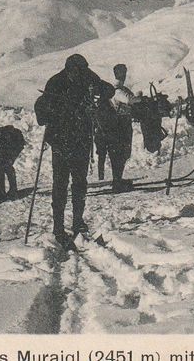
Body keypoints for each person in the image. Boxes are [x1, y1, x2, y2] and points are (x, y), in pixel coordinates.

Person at [34, 54, 113, 247]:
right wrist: (63, 110)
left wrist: (96, 91)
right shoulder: (55, 83)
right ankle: (58, 227)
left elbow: (108, 90)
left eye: (84, 71)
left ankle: (78, 222)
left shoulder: (87, 78)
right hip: (61, 141)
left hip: (81, 140)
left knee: (80, 183)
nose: (81, 74)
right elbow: (43, 111)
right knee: (60, 184)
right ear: (70, 69)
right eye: (79, 71)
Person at [108, 63, 137, 192]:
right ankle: (117, 182)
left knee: (123, 153)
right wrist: (140, 99)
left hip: (123, 123)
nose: (124, 75)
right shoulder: (117, 90)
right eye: (122, 73)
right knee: (119, 153)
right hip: (119, 124)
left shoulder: (121, 88)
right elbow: (129, 100)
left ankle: (118, 179)